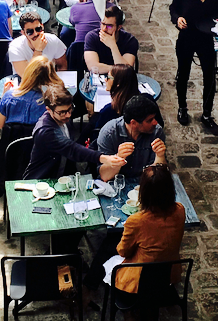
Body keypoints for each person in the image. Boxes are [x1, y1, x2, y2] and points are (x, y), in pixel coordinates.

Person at [85, 163, 185, 292]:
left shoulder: (136, 220)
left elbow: (123, 251)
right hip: (169, 272)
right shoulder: (180, 210)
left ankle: (90, 286)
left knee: (108, 248)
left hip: (140, 278)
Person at [171, 0, 218, 133]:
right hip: (187, 37)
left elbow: (217, 16)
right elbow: (174, 9)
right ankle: (182, 108)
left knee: (209, 76)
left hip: (206, 39)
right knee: (183, 73)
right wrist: (178, 19)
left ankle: (207, 114)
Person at [24, 87, 129, 181]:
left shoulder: (63, 118)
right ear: (48, 110)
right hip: (42, 179)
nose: (68, 115)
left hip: (64, 175)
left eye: (70, 109)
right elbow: (71, 148)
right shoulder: (45, 131)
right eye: (62, 112)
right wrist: (104, 158)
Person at [96, 94, 166, 180]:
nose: (155, 122)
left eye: (154, 118)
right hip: (117, 184)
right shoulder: (109, 134)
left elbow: (159, 176)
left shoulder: (156, 132)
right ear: (133, 123)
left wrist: (160, 156)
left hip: (144, 183)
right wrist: (118, 158)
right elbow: (104, 176)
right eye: (149, 120)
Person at [0, 55, 65, 128]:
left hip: (14, 138)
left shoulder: (9, 97)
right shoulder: (54, 101)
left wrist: (3, 96)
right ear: (52, 76)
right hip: (43, 138)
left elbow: (0, 124)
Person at [8, 10, 67, 76]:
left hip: (49, 81)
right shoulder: (15, 47)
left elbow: (62, 65)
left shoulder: (54, 40)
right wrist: (38, 50)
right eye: (30, 31)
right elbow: (26, 76)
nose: (35, 34)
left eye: (38, 29)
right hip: (26, 83)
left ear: (42, 26)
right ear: (23, 33)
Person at [84, 5, 138, 74]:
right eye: (103, 24)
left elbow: (126, 73)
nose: (104, 29)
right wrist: (117, 69)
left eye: (109, 26)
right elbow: (93, 67)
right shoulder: (92, 37)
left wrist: (113, 46)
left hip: (120, 81)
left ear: (119, 27)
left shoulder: (130, 41)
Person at [87, 63, 138, 135]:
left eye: (108, 77)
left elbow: (96, 133)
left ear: (118, 83)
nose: (105, 80)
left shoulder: (109, 110)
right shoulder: (141, 102)